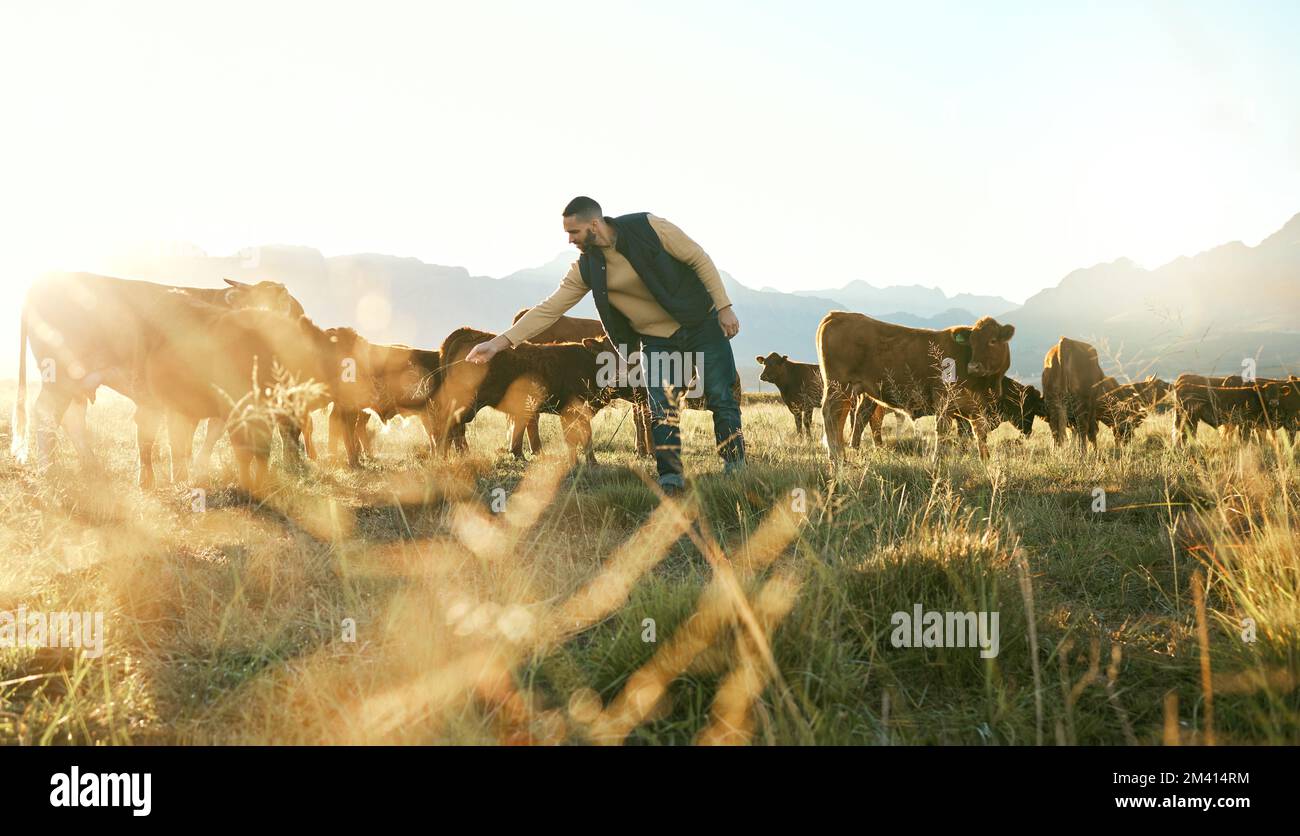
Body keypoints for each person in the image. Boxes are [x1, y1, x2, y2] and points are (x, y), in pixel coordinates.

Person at [465, 196, 744, 494]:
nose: (570, 240)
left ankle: (734, 468)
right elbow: (550, 309)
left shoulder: (648, 226)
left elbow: (697, 257)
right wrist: (499, 343)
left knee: (720, 395)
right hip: (657, 339)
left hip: (701, 323)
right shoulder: (586, 268)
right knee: (662, 406)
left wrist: (724, 306)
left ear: (594, 225)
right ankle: (671, 479)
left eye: (574, 232)